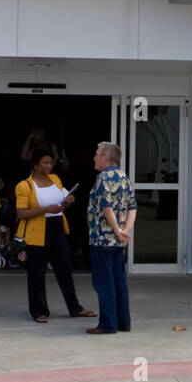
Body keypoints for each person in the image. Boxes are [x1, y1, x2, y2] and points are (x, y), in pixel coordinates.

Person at [15, 147, 95, 323]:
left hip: (57, 227)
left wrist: (69, 201)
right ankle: (39, 310)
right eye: (45, 163)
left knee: (64, 268)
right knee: (37, 271)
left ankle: (75, 307)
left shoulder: (55, 179)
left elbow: (63, 198)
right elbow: (21, 213)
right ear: (35, 165)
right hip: (37, 231)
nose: (49, 166)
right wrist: (45, 209)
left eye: (51, 163)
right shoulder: (25, 185)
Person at [85, 141, 137, 334]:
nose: (94, 157)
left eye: (97, 154)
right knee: (119, 281)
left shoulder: (103, 178)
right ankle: (124, 321)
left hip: (102, 239)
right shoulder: (125, 177)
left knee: (104, 282)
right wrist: (124, 231)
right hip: (118, 241)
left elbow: (106, 207)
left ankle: (108, 323)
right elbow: (133, 207)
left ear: (105, 158)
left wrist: (115, 229)